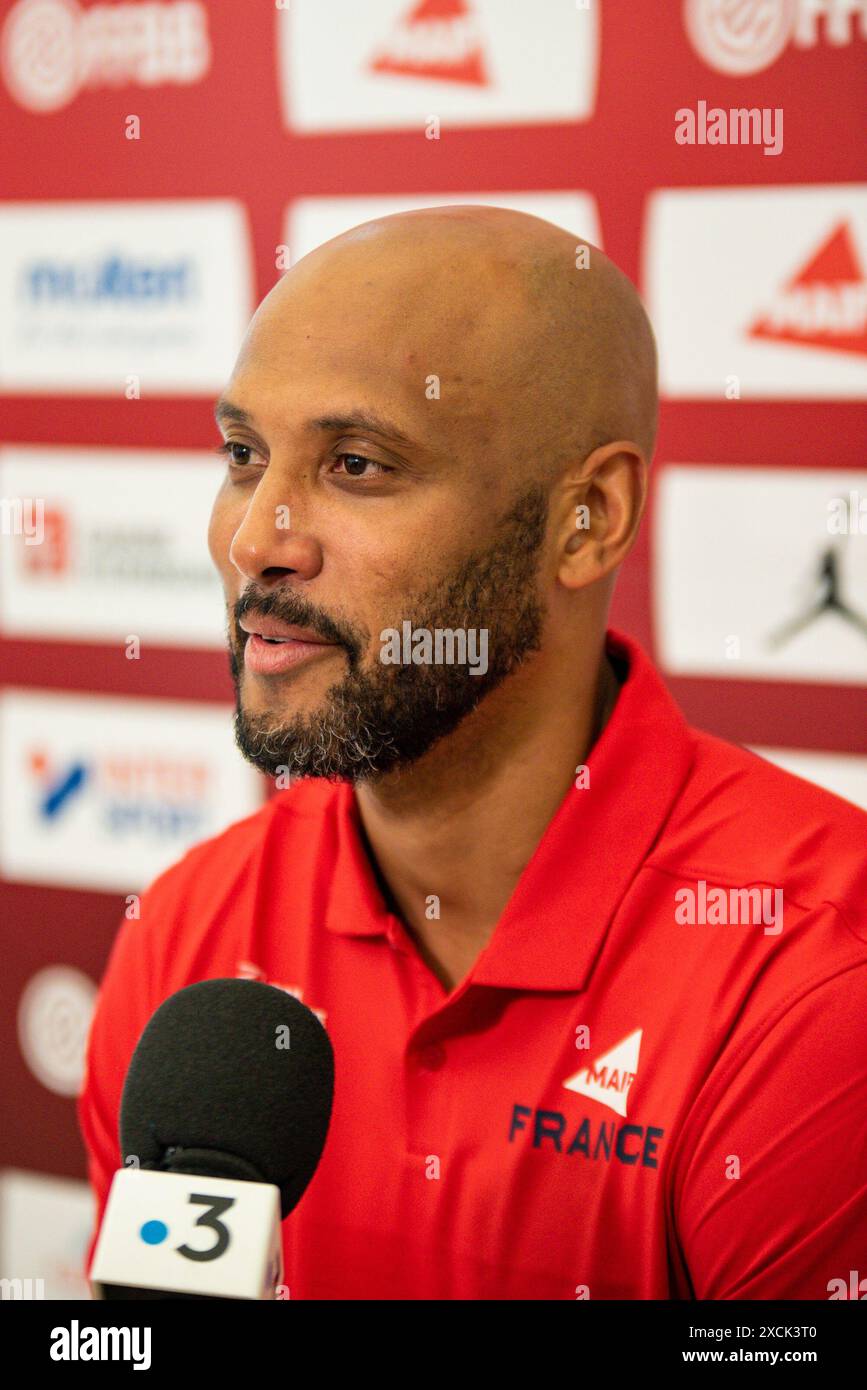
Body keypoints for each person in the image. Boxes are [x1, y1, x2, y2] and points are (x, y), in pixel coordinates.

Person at [79, 205, 867, 1299]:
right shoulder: (192, 933)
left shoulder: (815, 981)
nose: (257, 538)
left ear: (586, 519)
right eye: (243, 454)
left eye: (355, 464)